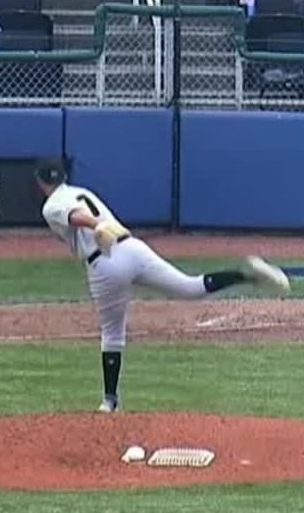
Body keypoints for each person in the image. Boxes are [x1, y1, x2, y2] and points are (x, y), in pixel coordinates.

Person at [33, 157, 289, 412]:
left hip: (105, 261)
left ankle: (109, 401)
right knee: (190, 288)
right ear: (63, 176)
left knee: (112, 333)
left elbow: (78, 216)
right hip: (133, 248)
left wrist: (95, 224)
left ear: (39, 180)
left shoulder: (51, 205)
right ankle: (245, 275)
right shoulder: (81, 191)